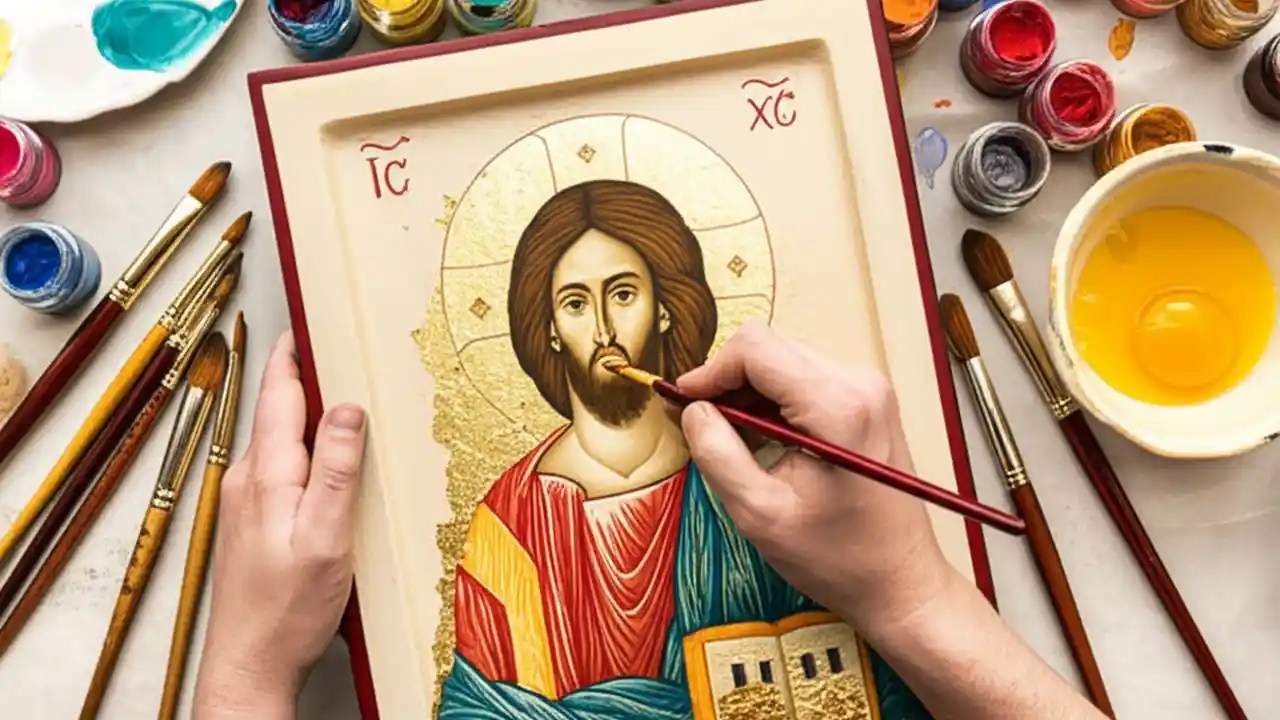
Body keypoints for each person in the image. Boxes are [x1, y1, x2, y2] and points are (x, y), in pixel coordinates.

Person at [191, 322, 1106, 720]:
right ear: (543, 330)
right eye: (578, 302)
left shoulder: (748, 490)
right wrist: (913, 598)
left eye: (623, 294)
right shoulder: (516, 508)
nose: (605, 331)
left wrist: (245, 678)